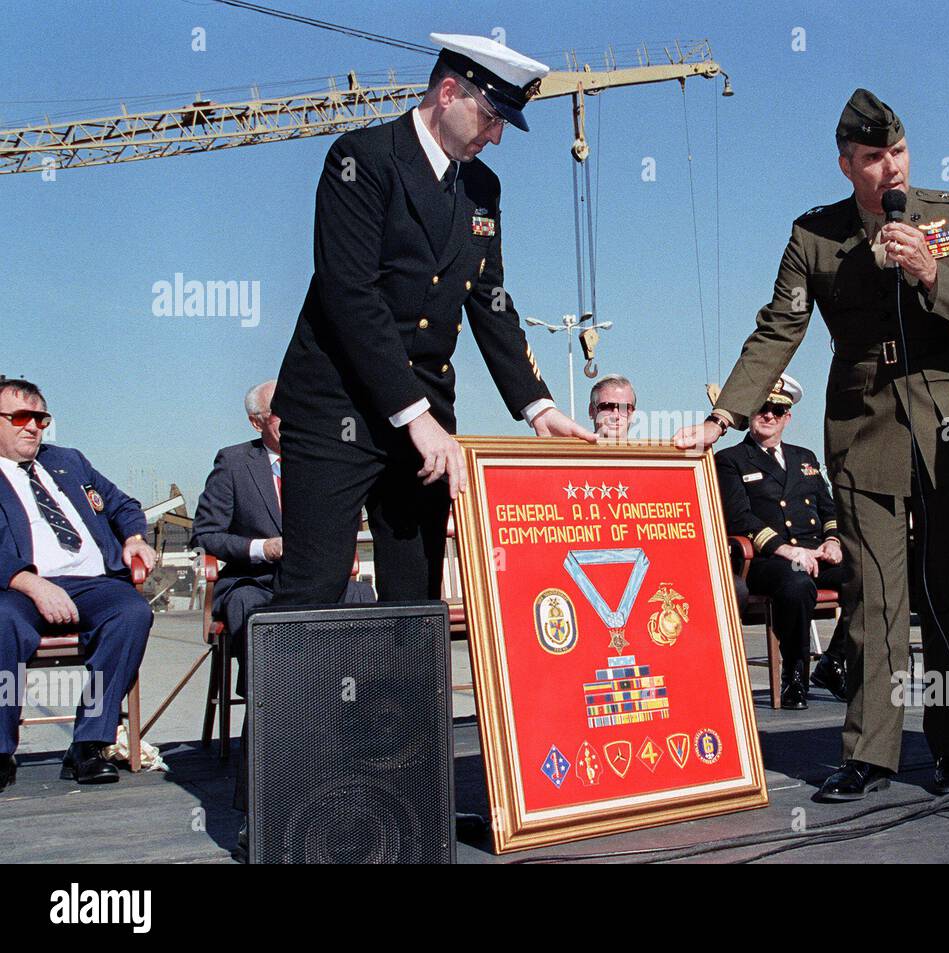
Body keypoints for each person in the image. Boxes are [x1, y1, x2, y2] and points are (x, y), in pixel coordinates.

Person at [675, 89, 949, 797]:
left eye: (898, 152)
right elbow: (779, 329)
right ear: (846, 164)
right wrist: (725, 417)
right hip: (866, 430)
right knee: (872, 599)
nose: (891, 169)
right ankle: (871, 753)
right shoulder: (815, 237)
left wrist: (930, 272)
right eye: (872, 158)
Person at [270, 32, 595, 611]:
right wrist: (413, 415)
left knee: (415, 597)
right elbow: (351, 294)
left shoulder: (481, 188)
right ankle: (295, 707)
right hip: (335, 408)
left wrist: (538, 406)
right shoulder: (360, 160)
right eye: (492, 118)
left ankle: (405, 708)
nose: (496, 137)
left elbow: (489, 298)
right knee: (312, 592)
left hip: (426, 420)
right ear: (449, 92)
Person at [0, 378, 156, 788]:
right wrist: (32, 585)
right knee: (3, 622)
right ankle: (0, 751)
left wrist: (135, 539)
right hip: (18, 587)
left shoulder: (69, 461)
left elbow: (123, 505)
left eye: (40, 418)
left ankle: (90, 744)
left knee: (132, 612)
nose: (33, 427)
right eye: (20, 417)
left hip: (91, 582)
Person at [190, 380, 373, 700]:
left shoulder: (324, 460)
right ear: (256, 421)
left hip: (317, 578)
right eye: (279, 412)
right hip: (254, 581)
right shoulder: (233, 464)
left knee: (361, 595)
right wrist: (263, 548)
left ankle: (353, 702)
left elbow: (348, 520)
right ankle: (271, 706)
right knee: (253, 606)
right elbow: (204, 535)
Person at [714, 374, 851, 709]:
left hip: (815, 553)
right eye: (763, 407)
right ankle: (795, 677)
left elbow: (828, 507)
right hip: (768, 559)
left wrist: (832, 540)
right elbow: (739, 519)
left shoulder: (804, 457)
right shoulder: (730, 460)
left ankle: (833, 662)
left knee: (869, 579)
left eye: (778, 409)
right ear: (750, 412)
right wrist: (789, 550)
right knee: (796, 583)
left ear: (788, 417)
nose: (769, 415)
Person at [588, 374, 636, 439]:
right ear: (591, 410)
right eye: (607, 407)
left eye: (624, 408)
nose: (615, 416)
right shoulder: (573, 448)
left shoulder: (650, 448)